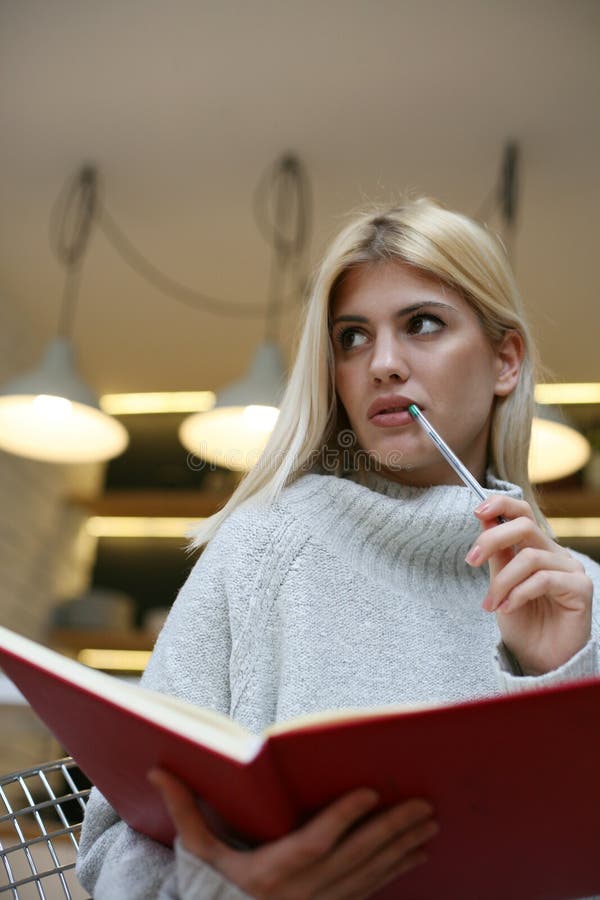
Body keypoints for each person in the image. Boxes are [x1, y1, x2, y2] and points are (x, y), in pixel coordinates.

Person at [77, 197, 599, 900]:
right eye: (352, 337)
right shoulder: (260, 551)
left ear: (506, 361)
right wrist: (234, 892)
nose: (382, 363)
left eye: (421, 324)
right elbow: (112, 846)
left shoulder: (578, 599)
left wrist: (564, 674)